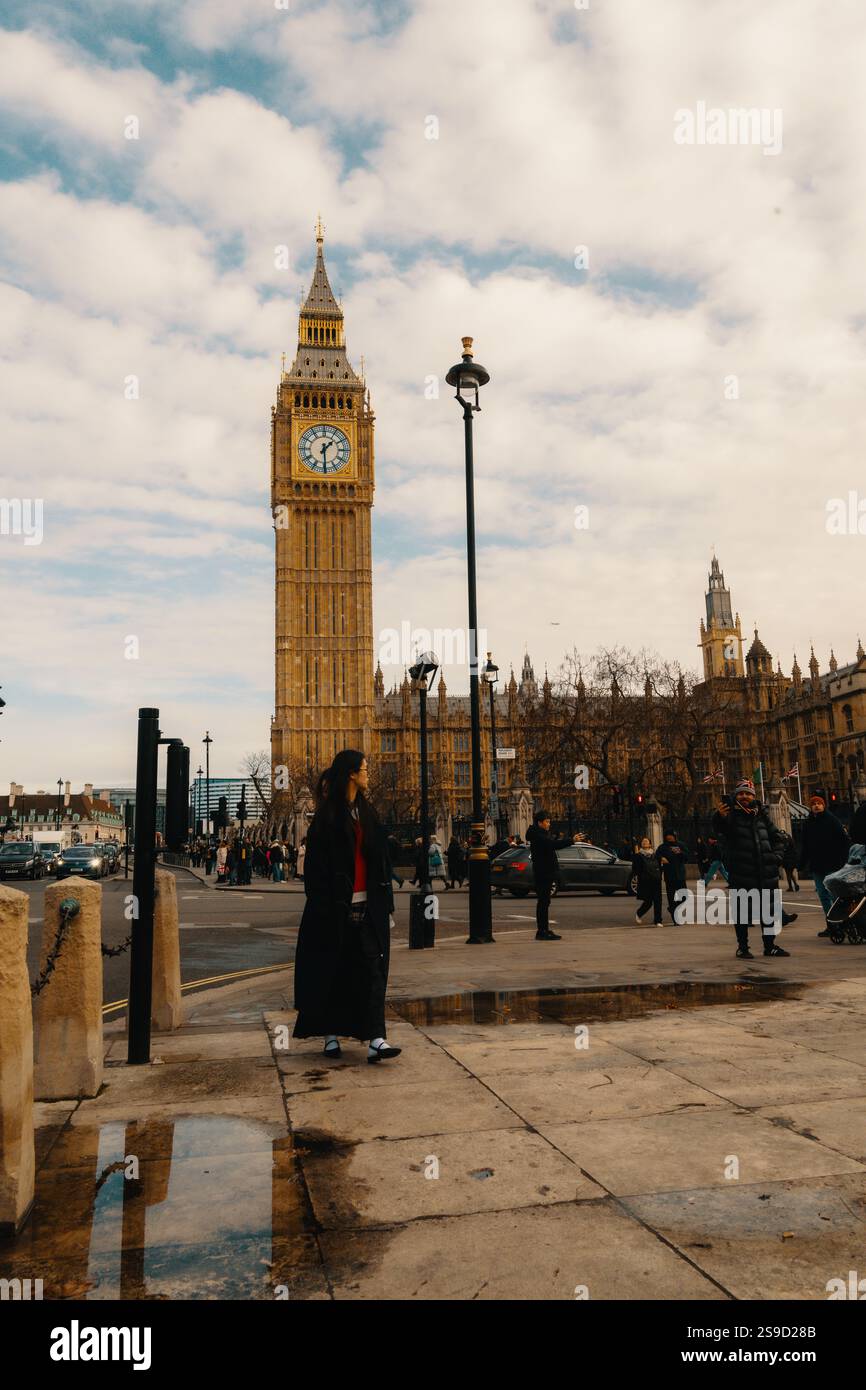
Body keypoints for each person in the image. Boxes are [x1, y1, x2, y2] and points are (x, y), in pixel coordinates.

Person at [292, 749, 400, 1063]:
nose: (369, 773)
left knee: (373, 972)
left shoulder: (368, 813)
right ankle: (330, 1035)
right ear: (351, 774)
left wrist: (387, 906)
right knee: (335, 972)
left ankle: (377, 1039)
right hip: (336, 909)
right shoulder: (326, 819)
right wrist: (325, 907)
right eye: (365, 768)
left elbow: (380, 863)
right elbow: (314, 874)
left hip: (370, 907)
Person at [712, 779, 790, 958]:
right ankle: (743, 948)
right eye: (741, 793)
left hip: (766, 872)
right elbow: (721, 831)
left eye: (748, 793)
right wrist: (720, 817)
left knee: (768, 911)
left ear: (754, 796)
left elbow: (779, 838)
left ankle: (769, 946)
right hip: (742, 872)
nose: (744, 796)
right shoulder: (730, 816)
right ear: (735, 796)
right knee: (741, 913)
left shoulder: (761, 814)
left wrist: (776, 857)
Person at [799, 793, 849, 934]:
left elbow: (844, 841)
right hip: (817, 866)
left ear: (823, 805)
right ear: (811, 807)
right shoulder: (808, 823)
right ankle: (831, 924)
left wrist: (842, 860)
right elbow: (805, 846)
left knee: (833, 895)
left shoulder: (832, 820)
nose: (816, 805)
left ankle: (840, 923)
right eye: (814, 804)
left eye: (819, 803)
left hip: (832, 864)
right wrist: (801, 864)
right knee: (823, 895)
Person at [526, 810, 579, 941]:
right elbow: (552, 845)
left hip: (545, 871)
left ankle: (544, 929)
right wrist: (571, 840)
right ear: (540, 823)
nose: (549, 824)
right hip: (543, 872)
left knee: (545, 901)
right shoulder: (538, 836)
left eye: (549, 821)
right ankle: (542, 931)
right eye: (547, 821)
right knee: (543, 902)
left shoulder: (539, 834)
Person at [655, 831, 687, 923]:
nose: (669, 838)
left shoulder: (681, 845)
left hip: (680, 875)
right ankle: (675, 919)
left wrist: (679, 852)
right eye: (667, 836)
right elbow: (657, 855)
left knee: (684, 897)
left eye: (671, 836)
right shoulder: (662, 847)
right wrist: (661, 858)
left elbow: (686, 857)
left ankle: (672, 907)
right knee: (671, 897)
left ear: (675, 836)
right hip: (669, 875)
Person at [632, 837, 663, 926]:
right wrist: (636, 856)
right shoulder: (638, 855)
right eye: (643, 841)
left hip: (656, 880)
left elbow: (660, 866)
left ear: (650, 844)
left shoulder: (655, 855)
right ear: (641, 844)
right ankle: (639, 913)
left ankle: (658, 921)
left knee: (658, 901)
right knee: (648, 901)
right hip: (645, 880)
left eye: (647, 841)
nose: (645, 842)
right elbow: (635, 869)